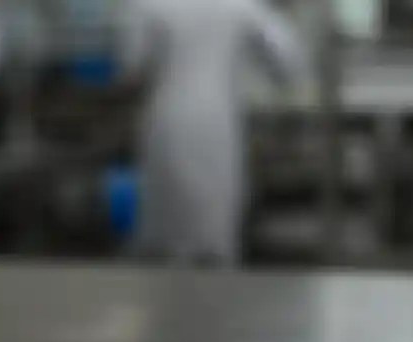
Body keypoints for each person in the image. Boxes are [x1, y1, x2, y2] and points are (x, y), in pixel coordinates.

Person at [121, 0, 304, 266]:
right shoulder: (242, 5)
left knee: (164, 231)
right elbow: (290, 62)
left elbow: (132, 64)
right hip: (217, 124)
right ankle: (213, 295)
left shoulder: (148, 5)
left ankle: (163, 298)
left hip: (167, 119)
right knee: (214, 234)